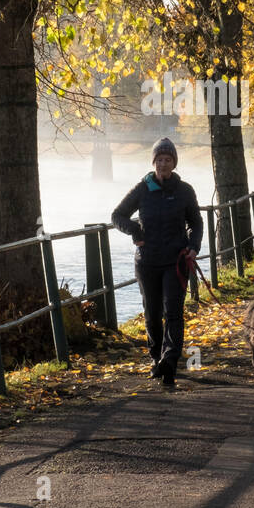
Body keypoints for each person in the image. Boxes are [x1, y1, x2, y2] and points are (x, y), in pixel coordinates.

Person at [111, 137, 203, 387]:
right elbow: (117, 215)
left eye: (168, 160)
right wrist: (136, 232)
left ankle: (170, 360)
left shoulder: (185, 191)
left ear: (174, 163)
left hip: (176, 261)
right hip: (147, 262)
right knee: (152, 314)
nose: (163, 164)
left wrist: (193, 247)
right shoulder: (142, 189)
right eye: (159, 160)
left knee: (173, 312)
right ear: (153, 163)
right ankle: (155, 358)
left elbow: (196, 223)